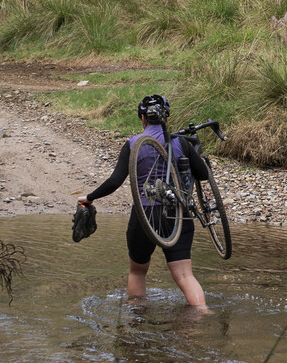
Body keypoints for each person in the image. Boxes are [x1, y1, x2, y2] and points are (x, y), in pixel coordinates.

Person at [78, 94, 209, 308]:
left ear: (142, 118)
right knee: (185, 276)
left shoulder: (132, 144)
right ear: (166, 117)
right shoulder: (180, 142)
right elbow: (203, 174)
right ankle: (201, 316)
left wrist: (90, 197)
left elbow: (115, 181)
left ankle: (137, 325)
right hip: (177, 215)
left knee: (137, 272)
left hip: (144, 216)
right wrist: (193, 151)